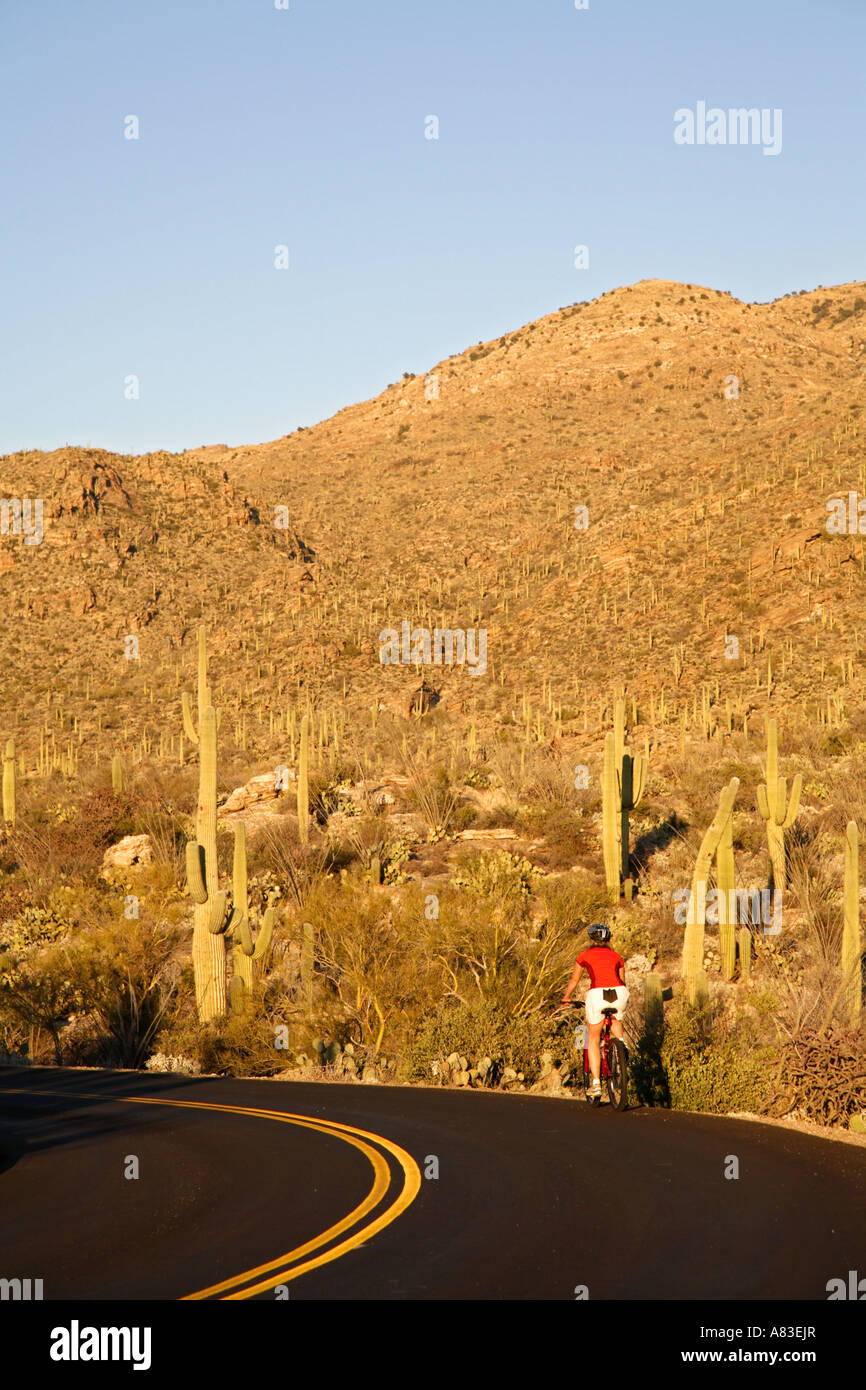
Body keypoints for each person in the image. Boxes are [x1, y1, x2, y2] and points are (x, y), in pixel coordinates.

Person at [562, 922, 628, 1098]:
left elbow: (575, 980)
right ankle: (621, 1044)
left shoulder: (584, 955)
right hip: (619, 993)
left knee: (592, 1038)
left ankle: (597, 1083)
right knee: (615, 1019)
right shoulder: (617, 956)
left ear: (591, 939)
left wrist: (567, 997)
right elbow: (622, 980)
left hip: (597, 994)